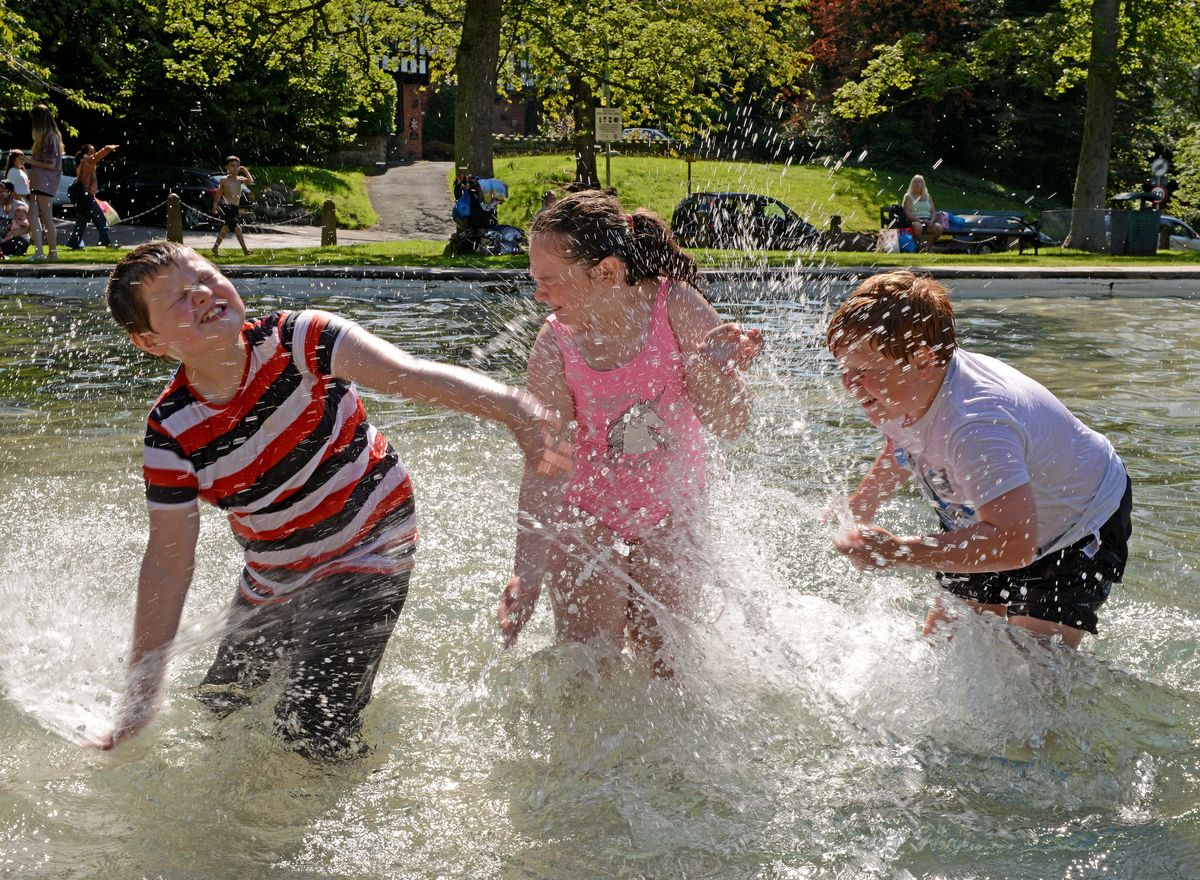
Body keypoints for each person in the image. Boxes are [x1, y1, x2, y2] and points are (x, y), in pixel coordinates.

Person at [96, 241, 571, 758]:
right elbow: (168, 564)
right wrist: (140, 694)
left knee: (313, 731)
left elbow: (407, 375)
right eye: (177, 299)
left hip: (369, 541)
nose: (203, 295)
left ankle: (346, 801)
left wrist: (513, 408)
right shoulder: (172, 433)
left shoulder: (299, 339)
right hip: (275, 572)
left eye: (205, 276)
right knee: (222, 711)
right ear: (151, 341)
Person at [497, 190, 763, 674]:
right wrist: (526, 572)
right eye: (536, 281)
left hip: (670, 508)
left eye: (550, 281)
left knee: (666, 667)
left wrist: (709, 369)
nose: (538, 295)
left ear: (607, 272)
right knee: (587, 664)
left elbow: (732, 425)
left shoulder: (675, 307)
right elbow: (546, 463)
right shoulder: (554, 345)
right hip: (586, 509)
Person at [827, 271, 1132, 650]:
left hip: (1078, 526)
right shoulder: (904, 388)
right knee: (943, 647)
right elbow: (903, 440)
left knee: (1029, 678)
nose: (849, 384)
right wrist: (863, 503)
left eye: (863, 371)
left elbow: (1015, 544)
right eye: (843, 368)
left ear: (922, 359)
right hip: (984, 516)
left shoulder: (976, 424)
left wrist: (897, 551)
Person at [27, 104, 65, 261]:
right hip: (39, 182)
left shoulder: (50, 137)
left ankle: (52, 253)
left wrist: (30, 160)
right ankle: (39, 252)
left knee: (47, 218)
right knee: (32, 216)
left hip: (46, 183)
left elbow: (51, 165)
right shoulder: (48, 136)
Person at [66, 143, 120, 250]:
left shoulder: (82, 163)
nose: (93, 154)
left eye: (93, 151)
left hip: (82, 197)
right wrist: (107, 149)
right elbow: (98, 156)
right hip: (87, 197)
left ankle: (74, 243)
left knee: (81, 222)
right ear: (85, 154)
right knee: (102, 220)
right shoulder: (88, 161)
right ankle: (106, 243)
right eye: (91, 152)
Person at [211, 155, 254, 255]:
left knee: (225, 229)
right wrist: (214, 205)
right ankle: (245, 250)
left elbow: (251, 181)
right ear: (227, 167)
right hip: (227, 207)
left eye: (237, 165)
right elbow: (219, 192)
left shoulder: (240, 179)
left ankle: (215, 248)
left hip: (235, 207)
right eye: (232, 165)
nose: (235, 168)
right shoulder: (224, 179)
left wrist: (245, 170)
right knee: (237, 228)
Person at [902, 175, 943, 247]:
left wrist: (931, 221)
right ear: (912, 184)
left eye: (919, 182)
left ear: (923, 184)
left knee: (939, 227)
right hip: (914, 221)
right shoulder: (908, 196)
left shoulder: (928, 196)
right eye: (915, 182)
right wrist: (920, 221)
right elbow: (907, 213)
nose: (917, 183)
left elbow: (933, 212)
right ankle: (918, 246)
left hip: (928, 221)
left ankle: (929, 245)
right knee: (918, 227)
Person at [0, 181, 31, 258]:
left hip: (18, 239)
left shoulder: (21, 206)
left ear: (12, 193)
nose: (0, 194)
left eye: (4, 192)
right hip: (3, 239)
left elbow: (33, 226)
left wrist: (13, 234)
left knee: (11, 244)